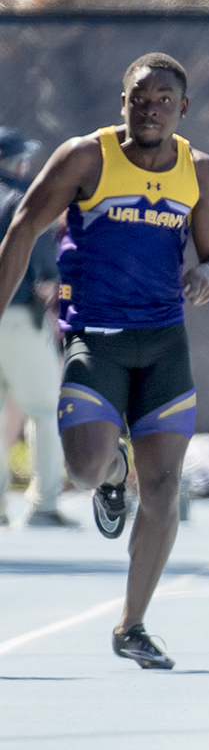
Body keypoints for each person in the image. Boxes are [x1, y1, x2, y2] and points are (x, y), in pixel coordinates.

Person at [0, 53, 209, 668]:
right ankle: (111, 474)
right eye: (139, 96)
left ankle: (133, 624)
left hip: (163, 345)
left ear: (183, 109)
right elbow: (22, 229)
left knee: (165, 490)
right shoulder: (86, 158)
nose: (149, 106)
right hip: (93, 338)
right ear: (121, 101)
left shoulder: (200, 172)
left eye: (162, 98)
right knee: (82, 468)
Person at [0, 127, 73, 528]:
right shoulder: (21, 198)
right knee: (46, 411)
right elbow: (43, 263)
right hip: (16, 316)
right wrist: (50, 282)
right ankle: (44, 504)